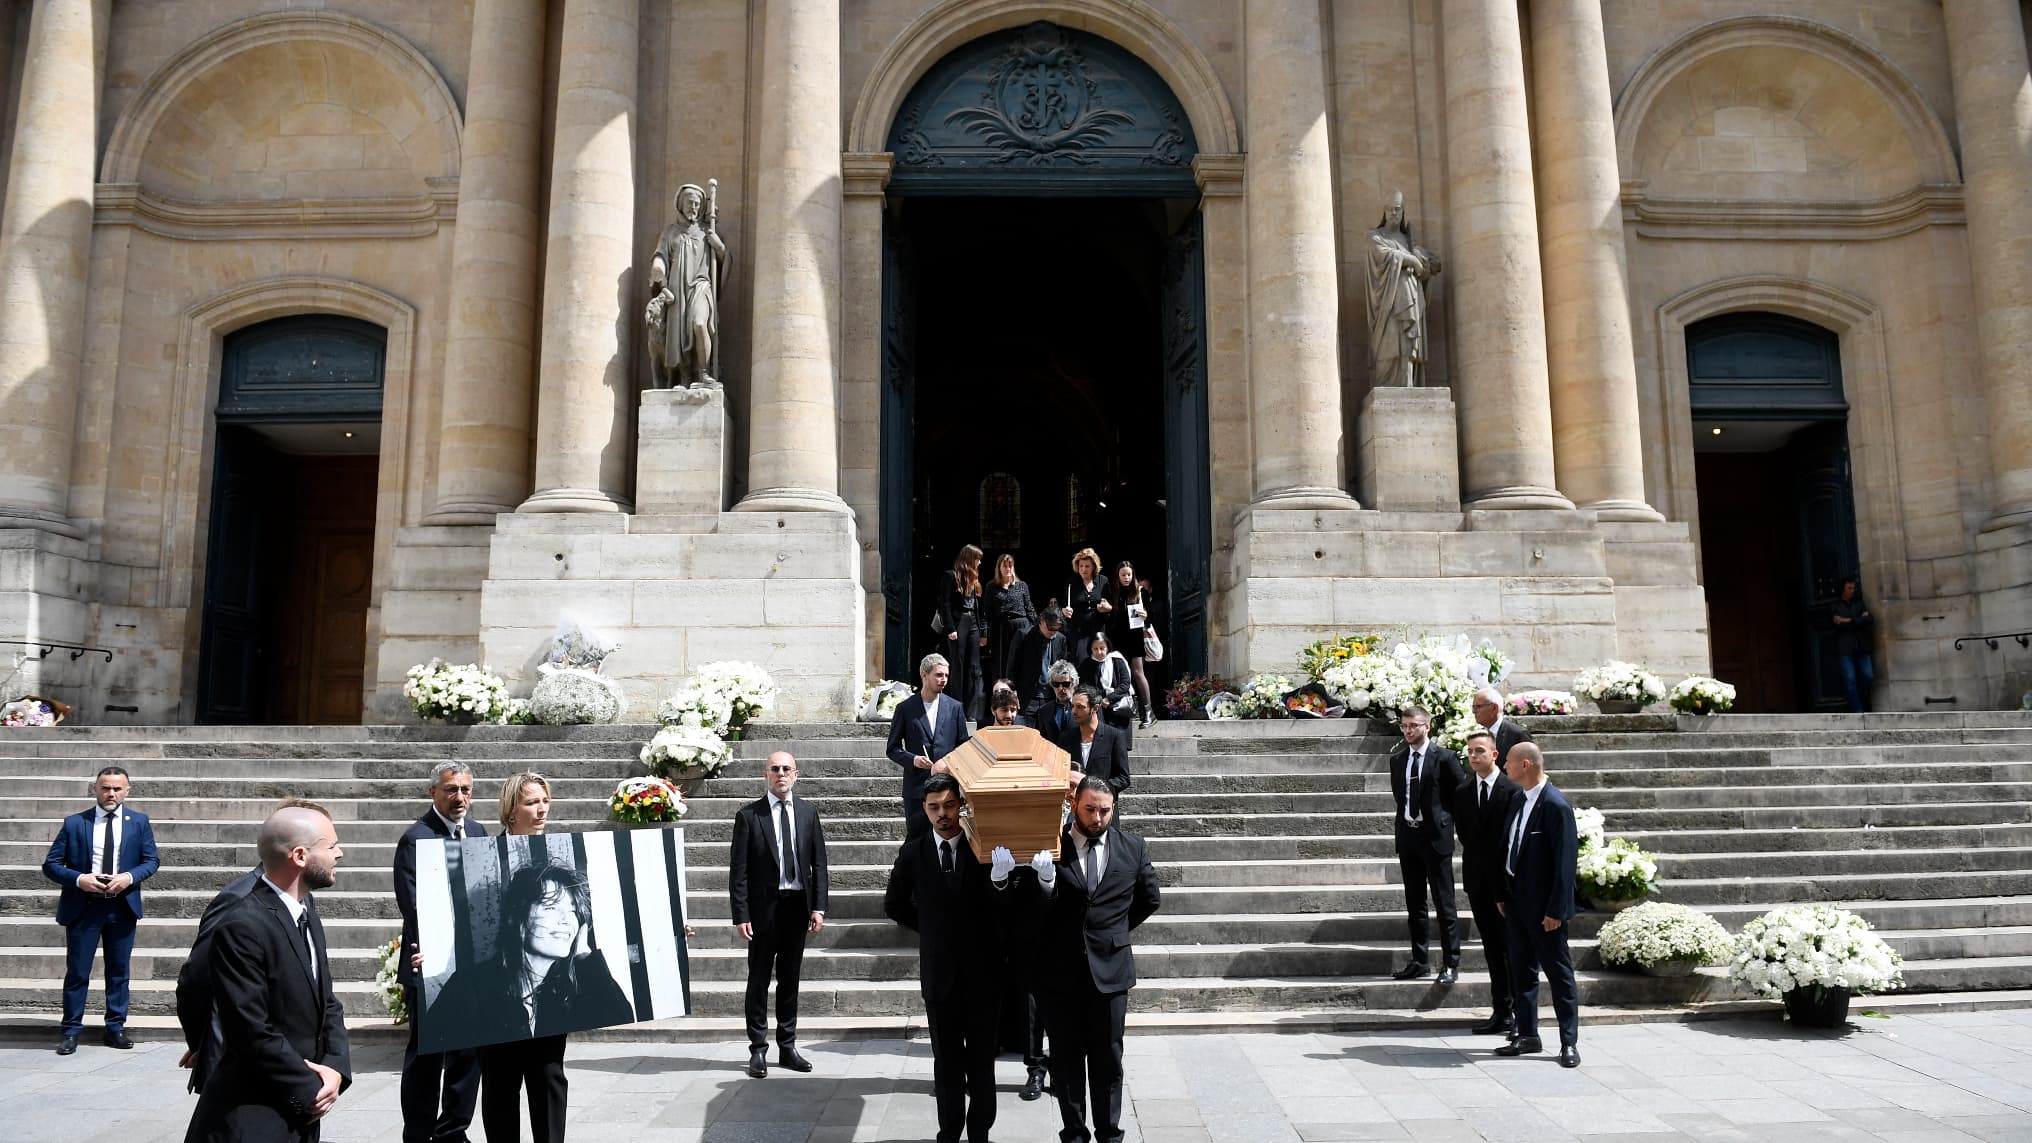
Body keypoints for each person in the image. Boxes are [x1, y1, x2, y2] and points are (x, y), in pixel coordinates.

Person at [882, 774, 1051, 1143]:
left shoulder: (985, 850)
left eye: (948, 805)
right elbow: (894, 904)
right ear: (924, 810)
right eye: (934, 807)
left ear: (961, 805)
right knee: (946, 1064)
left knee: (980, 1063)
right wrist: (931, 927)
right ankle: (949, 1132)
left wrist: (1001, 882)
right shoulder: (913, 852)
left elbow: (1008, 908)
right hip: (940, 975)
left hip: (984, 975)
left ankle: (979, 1133)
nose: (943, 814)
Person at [466, 772, 625, 1143]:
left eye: (545, 801)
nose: (540, 810)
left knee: (548, 1074)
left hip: (551, 990)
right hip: (500, 991)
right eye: (531, 802)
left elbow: (616, 1006)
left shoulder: (557, 854)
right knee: (500, 1082)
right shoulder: (481, 860)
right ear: (510, 810)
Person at [184, 806, 351, 1142]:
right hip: (252, 1114)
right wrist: (309, 1091)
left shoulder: (305, 911)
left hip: (300, 1108)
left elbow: (326, 1001)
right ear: (300, 856)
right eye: (331, 846)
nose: (340, 853)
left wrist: (335, 1068)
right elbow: (251, 1028)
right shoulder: (242, 923)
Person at [1039, 776, 1161, 1143]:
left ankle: (1110, 1134)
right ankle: (1074, 1133)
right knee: (1065, 1058)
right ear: (1074, 803)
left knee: (1108, 1060)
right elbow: (1030, 908)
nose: (1097, 817)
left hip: (1111, 971)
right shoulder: (1050, 843)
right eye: (1090, 808)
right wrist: (1045, 885)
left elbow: (1149, 898)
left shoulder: (1132, 847)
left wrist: (1115, 933)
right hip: (1061, 972)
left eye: (1105, 810)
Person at [393, 763, 486, 1143]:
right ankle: (417, 1134)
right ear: (433, 793)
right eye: (450, 790)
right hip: (429, 963)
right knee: (427, 1058)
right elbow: (413, 906)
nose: (459, 797)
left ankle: (453, 1131)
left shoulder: (479, 832)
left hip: (472, 968)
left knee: (467, 1055)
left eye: (465, 789)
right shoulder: (415, 839)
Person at [44, 765, 159, 1055]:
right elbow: (51, 864)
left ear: (127, 790)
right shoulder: (74, 823)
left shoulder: (139, 822)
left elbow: (151, 860)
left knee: (119, 972)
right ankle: (71, 1031)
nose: (111, 793)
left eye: (117, 788)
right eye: (105, 787)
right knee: (78, 972)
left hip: (122, 906)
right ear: (95, 788)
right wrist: (80, 879)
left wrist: (128, 877)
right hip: (84, 906)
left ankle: (115, 1028)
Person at [730, 751, 829, 1079]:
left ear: (796, 775)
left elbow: (820, 864)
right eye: (775, 769)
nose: (781, 774)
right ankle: (758, 1048)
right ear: (766, 775)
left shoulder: (807, 812)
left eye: (787, 769)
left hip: (796, 907)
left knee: (790, 979)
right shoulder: (749, 816)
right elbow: (739, 872)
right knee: (758, 979)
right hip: (763, 911)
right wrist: (740, 914)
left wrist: (818, 906)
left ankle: (787, 1046)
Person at [1496, 742, 1581, 1068]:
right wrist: (1502, 895)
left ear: (1526, 764)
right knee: (1521, 972)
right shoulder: (1519, 798)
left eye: (1509, 762)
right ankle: (1528, 1033)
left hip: (1545, 910)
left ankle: (1568, 1042)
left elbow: (1564, 863)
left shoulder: (1556, 805)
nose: (1505, 767)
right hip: (1516, 906)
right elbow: (1509, 848)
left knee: (1559, 975)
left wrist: (1556, 910)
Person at [1451, 730, 1521, 1038]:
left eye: (1480, 750)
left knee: (1512, 950)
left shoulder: (1512, 790)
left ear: (1494, 755)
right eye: (1470, 751)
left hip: (1506, 883)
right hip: (1478, 882)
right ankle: (1501, 1011)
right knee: (1492, 949)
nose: (1473, 756)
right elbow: (1465, 835)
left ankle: (1522, 1014)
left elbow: (1512, 839)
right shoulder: (1463, 792)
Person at [1389, 706, 1464, 984]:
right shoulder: (1398, 761)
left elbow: (1459, 796)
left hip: (1435, 838)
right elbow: (1401, 797)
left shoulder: (1444, 758)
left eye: (1413, 726)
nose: (1408, 731)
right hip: (1409, 837)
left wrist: (1450, 827)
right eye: (1404, 726)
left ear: (1427, 727)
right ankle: (1420, 960)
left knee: (1444, 903)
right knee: (1415, 903)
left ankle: (1450, 963)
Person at [645, 182, 727, 390]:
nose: (694, 207)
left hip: (701, 285)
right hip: (677, 288)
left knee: (700, 324)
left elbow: (724, 262)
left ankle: (704, 373)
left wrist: (720, 248)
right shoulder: (671, 232)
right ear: (680, 205)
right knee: (678, 333)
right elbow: (661, 254)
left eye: (697, 204)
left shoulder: (707, 231)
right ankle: (683, 378)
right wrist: (658, 266)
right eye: (690, 203)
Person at [887, 653, 972, 839]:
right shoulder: (905, 709)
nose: (944, 680)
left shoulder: (955, 707)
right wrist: (913, 760)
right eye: (939, 675)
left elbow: (964, 746)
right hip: (917, 789)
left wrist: (947, 762)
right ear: (924, 675)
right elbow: (892, 748)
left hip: (947, 787)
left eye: (946, 676)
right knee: (917, 840)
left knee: (948, 838)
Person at [935, 543, 987, 722]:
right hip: (958, 624)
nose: (979, 562)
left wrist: (982, 632)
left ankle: (971, 711)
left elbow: (979, 609)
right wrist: (950, 628)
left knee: (974, 667)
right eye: (977, 559)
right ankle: (956, 709)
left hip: (973, 623)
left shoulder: (975, 580)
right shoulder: (951, 576)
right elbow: (945, 604)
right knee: (957, 667)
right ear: (969, 559)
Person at [1101, 561, 1156, 729]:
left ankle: (1148, 711)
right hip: (1117, 639)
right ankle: (1122, 711)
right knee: (1119, 676)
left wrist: (1146, 614)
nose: (1126, 578)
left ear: (1133, 576)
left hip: (1134, 638)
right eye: (1123, 575)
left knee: (1138, 673)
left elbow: (1151, 616)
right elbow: (1109, 617)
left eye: (1129, 575)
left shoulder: (1140, 592)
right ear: (1118, 576)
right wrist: (1107, 608)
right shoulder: (1112, 592)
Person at [1052, 685, 1131, 798]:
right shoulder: (1066, 738)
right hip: (1073, 807)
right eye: (1073, 706)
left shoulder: (1114, 736)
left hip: (1103, 806)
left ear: (1095, 708)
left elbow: (1123, 778)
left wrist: (1095, 788)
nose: (1074, 711)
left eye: (1080, 707)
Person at [983, 553, 1039, 683]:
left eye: (1010, 566)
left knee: (1020, 660)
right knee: (1001, 663)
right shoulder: (991, 586)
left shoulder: (1022, 585)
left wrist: (1037, 626)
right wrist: (984, 633)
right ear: (999, 568)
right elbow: (987, 611)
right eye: (1005, 566)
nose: (1008, 569)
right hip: (1000, 629)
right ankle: (1002, 694)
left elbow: (1029, 607)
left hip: (1021, 626)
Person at [1011, 606, 1070, 718]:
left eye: (1057, 629)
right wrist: (1013, 693)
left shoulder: (1060, 639)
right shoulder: (1023, 635)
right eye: (1050, 628)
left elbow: (1063, 668)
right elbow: (1012, 667)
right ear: (1041, 621)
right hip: (1028, 697)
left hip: (1051, 697)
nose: (1053, 632)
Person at [1078, 633, 1138, 743]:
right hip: (1098, 710)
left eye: (1102, 648)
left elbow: (1125, 684)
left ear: (1108, 647)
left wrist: (1109, 698)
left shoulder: (1117, 660)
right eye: (1095, 649)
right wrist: (1100, 699)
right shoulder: (1087, 664)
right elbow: (1084, 687)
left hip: (1117, 710)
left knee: (1119, 747)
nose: (1099, 652)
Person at [1832, 576, 1875, 712]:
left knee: (1868, 676)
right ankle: (1858, 711)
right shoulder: (1834, 606)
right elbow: (1836, 624)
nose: (1852, 590)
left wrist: (1847, 621)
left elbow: (1869, 619)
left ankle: (1857, 700)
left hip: (1862, 645)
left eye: (1853, 588)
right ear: (1842, 590)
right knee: (1850, 680)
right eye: (1849, 588)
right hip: (1845, 648)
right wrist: (1858, 620)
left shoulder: (1859, 603)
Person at [1470, 687, 1534, 767]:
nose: (1474, 711)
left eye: (1478, 707)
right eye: (1473, 707)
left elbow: (1530, 768)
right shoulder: (1480, 735)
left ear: (1494, 708)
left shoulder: (1516, 734)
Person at [1063, 548, 1108, 660]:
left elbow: (1111, 605)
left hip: (1097, 629)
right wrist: (1065, 611)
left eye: (1087, 566)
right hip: (1078, 631)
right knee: (1080, 661)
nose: (1083, 569)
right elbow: (1064, 606)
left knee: (1098, 661)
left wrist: (1107, 608)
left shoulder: (1103, 581)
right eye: (1081, 566)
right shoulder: (1071, 582)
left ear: (1094, 566)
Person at [1036, 660, 1082, 743]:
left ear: (1073, 683)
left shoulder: (1084, 707)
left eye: (1065, 684)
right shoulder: (1043, 711)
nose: (1060, 689)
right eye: (1056, 684)